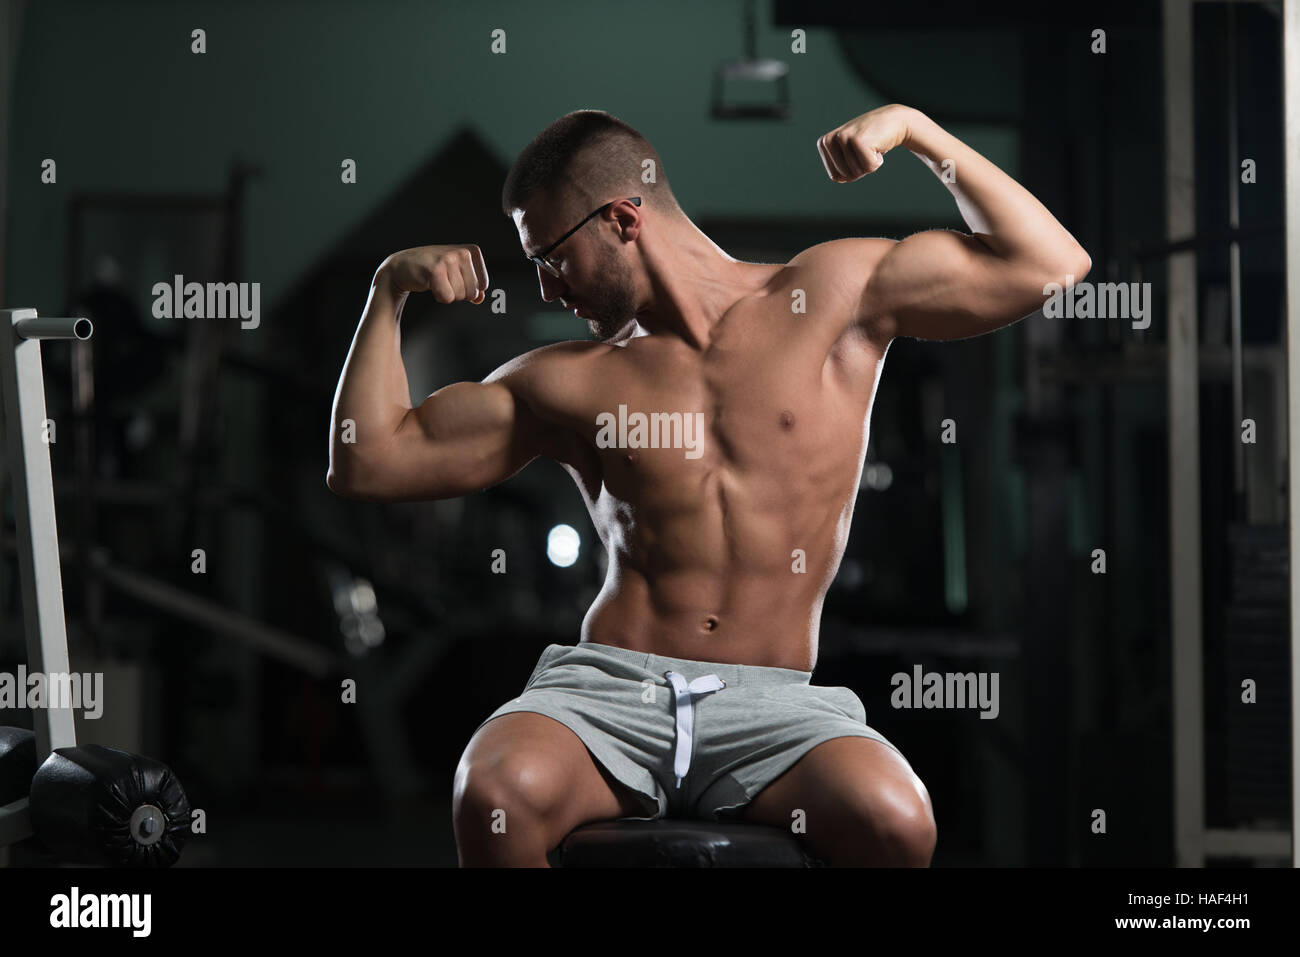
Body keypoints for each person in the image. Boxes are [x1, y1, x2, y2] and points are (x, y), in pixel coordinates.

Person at [327, 104, 1090, 867]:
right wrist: (388, 290)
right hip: (608, 696)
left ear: (623, 218)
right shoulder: (566, 382)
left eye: (552, 257)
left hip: (776, 706)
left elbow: (1051, 264)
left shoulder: (829, 298)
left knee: (896, 821)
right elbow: (368, 460)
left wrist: (915, 129)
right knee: (494, 794)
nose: (549, 289)